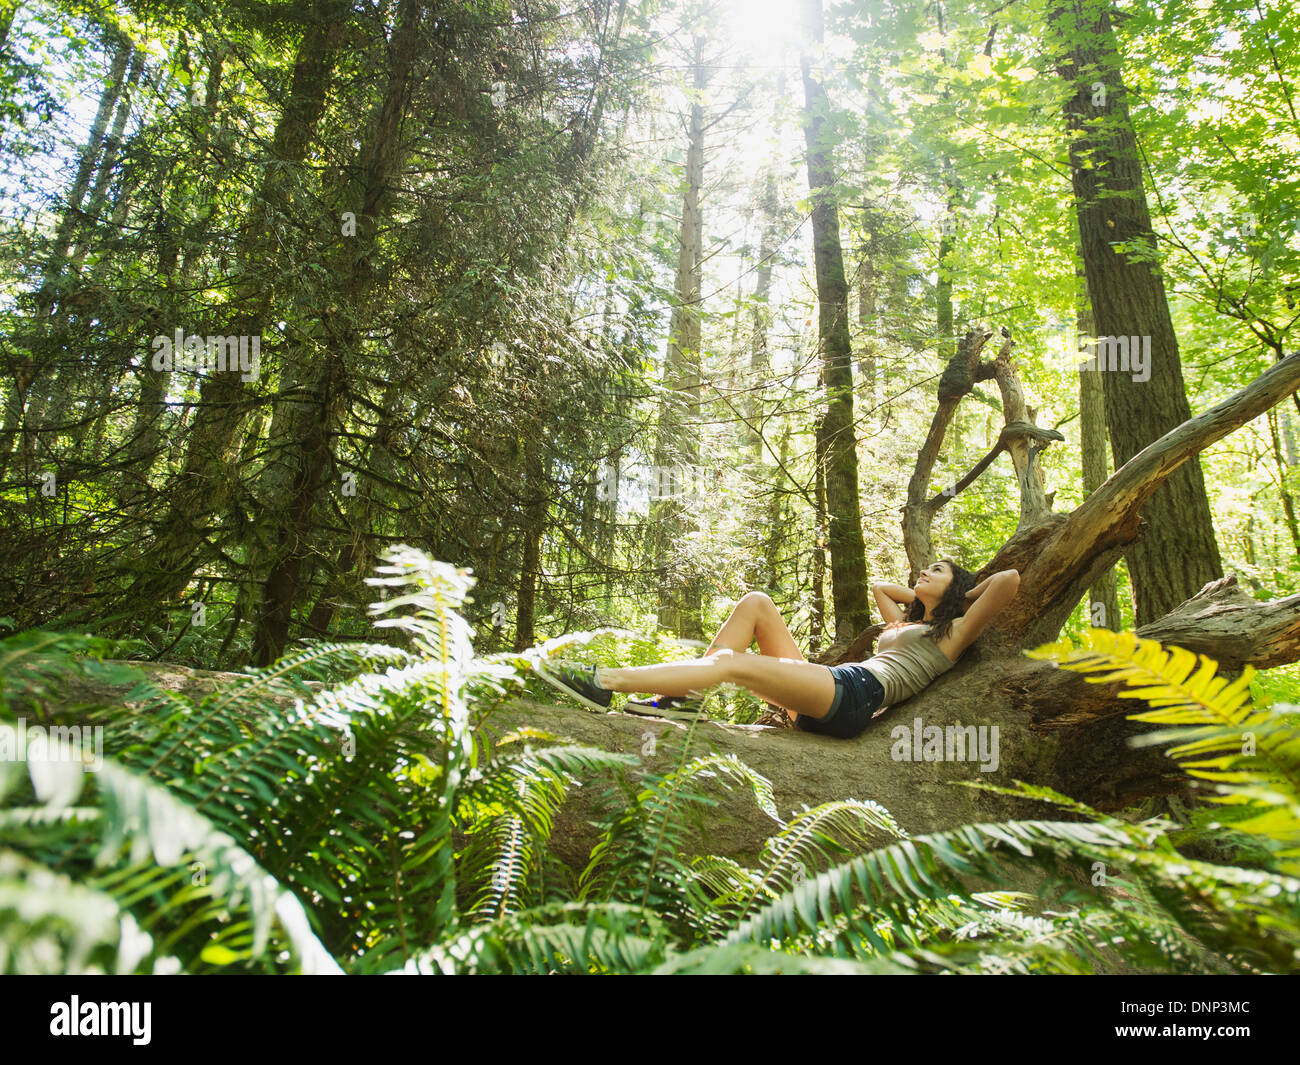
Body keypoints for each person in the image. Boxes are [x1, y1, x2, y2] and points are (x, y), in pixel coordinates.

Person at [535, 560, 1020, 739]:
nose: (923, 574)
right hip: (830, 691)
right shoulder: (906, 627)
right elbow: (880, 588)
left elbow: (1009, 579)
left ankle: (604, 683)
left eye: (937, 570)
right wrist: (925, 596)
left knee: (731, 664)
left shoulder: (954, 634)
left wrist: (963, 595)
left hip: (856, 696)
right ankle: (684, 701)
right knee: (757, 603)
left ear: (956, 588)